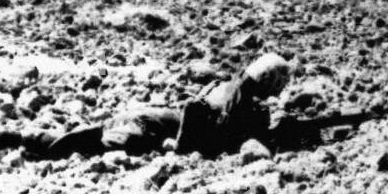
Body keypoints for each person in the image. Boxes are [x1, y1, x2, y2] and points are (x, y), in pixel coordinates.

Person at [39, 53, 294, 160]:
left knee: (92, 141)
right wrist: (183, 150)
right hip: (150, 126)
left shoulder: (231, 89)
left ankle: (31, 141)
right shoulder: (237, 101)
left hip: (153, 118)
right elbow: (195, 111)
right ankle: (26, 141)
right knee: (95, 146)